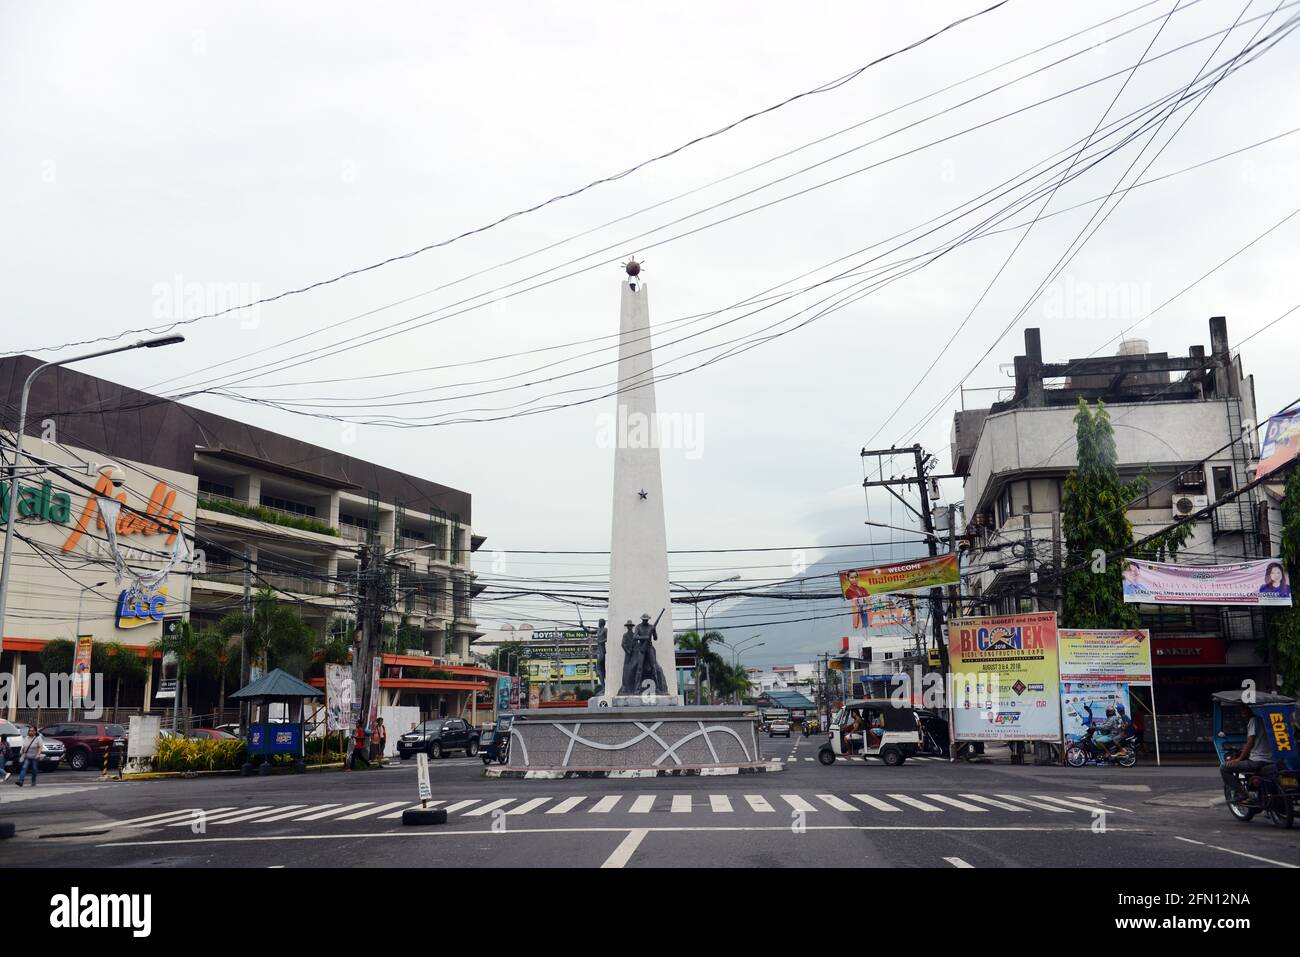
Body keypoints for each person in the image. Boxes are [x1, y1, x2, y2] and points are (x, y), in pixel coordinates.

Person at [1220, 704, 1276, 797]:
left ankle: (1241, 792)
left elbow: (1250, 742)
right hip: (1272, 760)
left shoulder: (1254, 720)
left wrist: (1239, 759)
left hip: (1257, 761)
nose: (1242, 713)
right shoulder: (1271, 720)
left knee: (1224, 767)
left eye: (1244, 710)